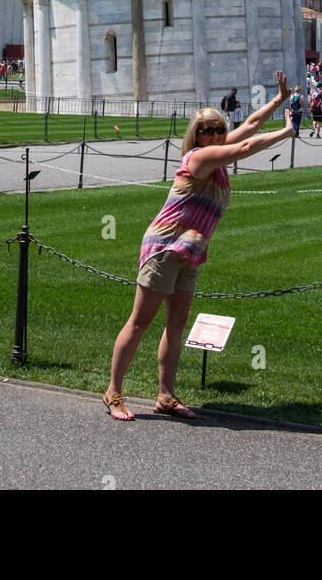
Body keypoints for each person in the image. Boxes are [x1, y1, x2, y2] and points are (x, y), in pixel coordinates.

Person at [103, 72, 295, 421]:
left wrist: (278, 100)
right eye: (207, 130)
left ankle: (166, 396)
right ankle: (113, 392)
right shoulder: (198, 159)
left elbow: (249, 126)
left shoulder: (216, 154)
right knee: (140, 322)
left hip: (188, 251)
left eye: (219, 129)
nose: (216, 134)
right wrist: (285, 132)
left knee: (176, 325)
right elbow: (246, 147)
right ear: (196, 134)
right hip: (165, 248)